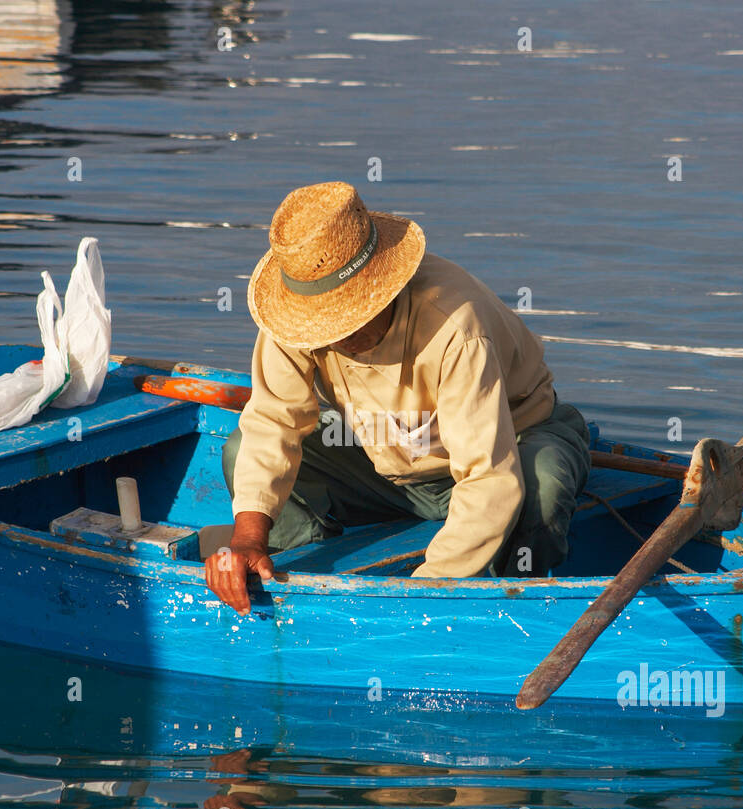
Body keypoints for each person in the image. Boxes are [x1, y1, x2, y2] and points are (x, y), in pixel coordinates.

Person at [204, 181, 590, 613]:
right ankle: (298, 584)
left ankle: (514, 605)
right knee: (240, 451)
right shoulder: (294, 313)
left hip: (513, 443)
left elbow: (488, 479)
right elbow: (273, 424)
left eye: (345, 319)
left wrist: (418, 598)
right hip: (390, 458)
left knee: (545, 487)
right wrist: (246, 539)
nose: (335, 337)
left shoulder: (456, 328)